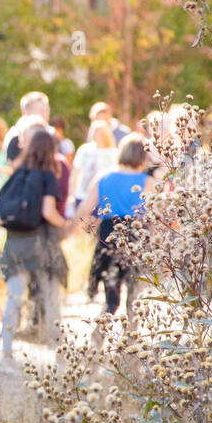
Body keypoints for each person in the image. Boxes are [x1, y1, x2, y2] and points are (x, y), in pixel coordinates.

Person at [0, 128, 70, 358]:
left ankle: (6, 353)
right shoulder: (48, 175)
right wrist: (66, 225)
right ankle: (59, 354)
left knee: (14, 299)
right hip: (40, 245)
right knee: (50, 298)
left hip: (14, 244)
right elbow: (48, 212)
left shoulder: (18, 172)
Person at [75, 133, 154, 322]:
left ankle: (98, 340)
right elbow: (156, 214)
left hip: (108, 236)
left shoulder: (104, 177)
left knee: (111, 300)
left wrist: (84, 228)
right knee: (134, 298)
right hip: (135, 237)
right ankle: (130, 345)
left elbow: (85, 209)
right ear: (142, 156)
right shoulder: (146, 182)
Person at [69, 120, 118, 218]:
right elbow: (75, 172)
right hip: (83, 194)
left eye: (100, 132)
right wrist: (71, 194)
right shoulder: (85, 150)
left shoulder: (113, 153)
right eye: (95, 131)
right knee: (81, 224)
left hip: (103, 197)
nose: (97, 134)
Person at [4, 91, 51, 162]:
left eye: (47, 110)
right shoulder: (15, 136)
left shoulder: (50, 132)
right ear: (26, 112)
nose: (45, 115)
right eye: (41, 111)